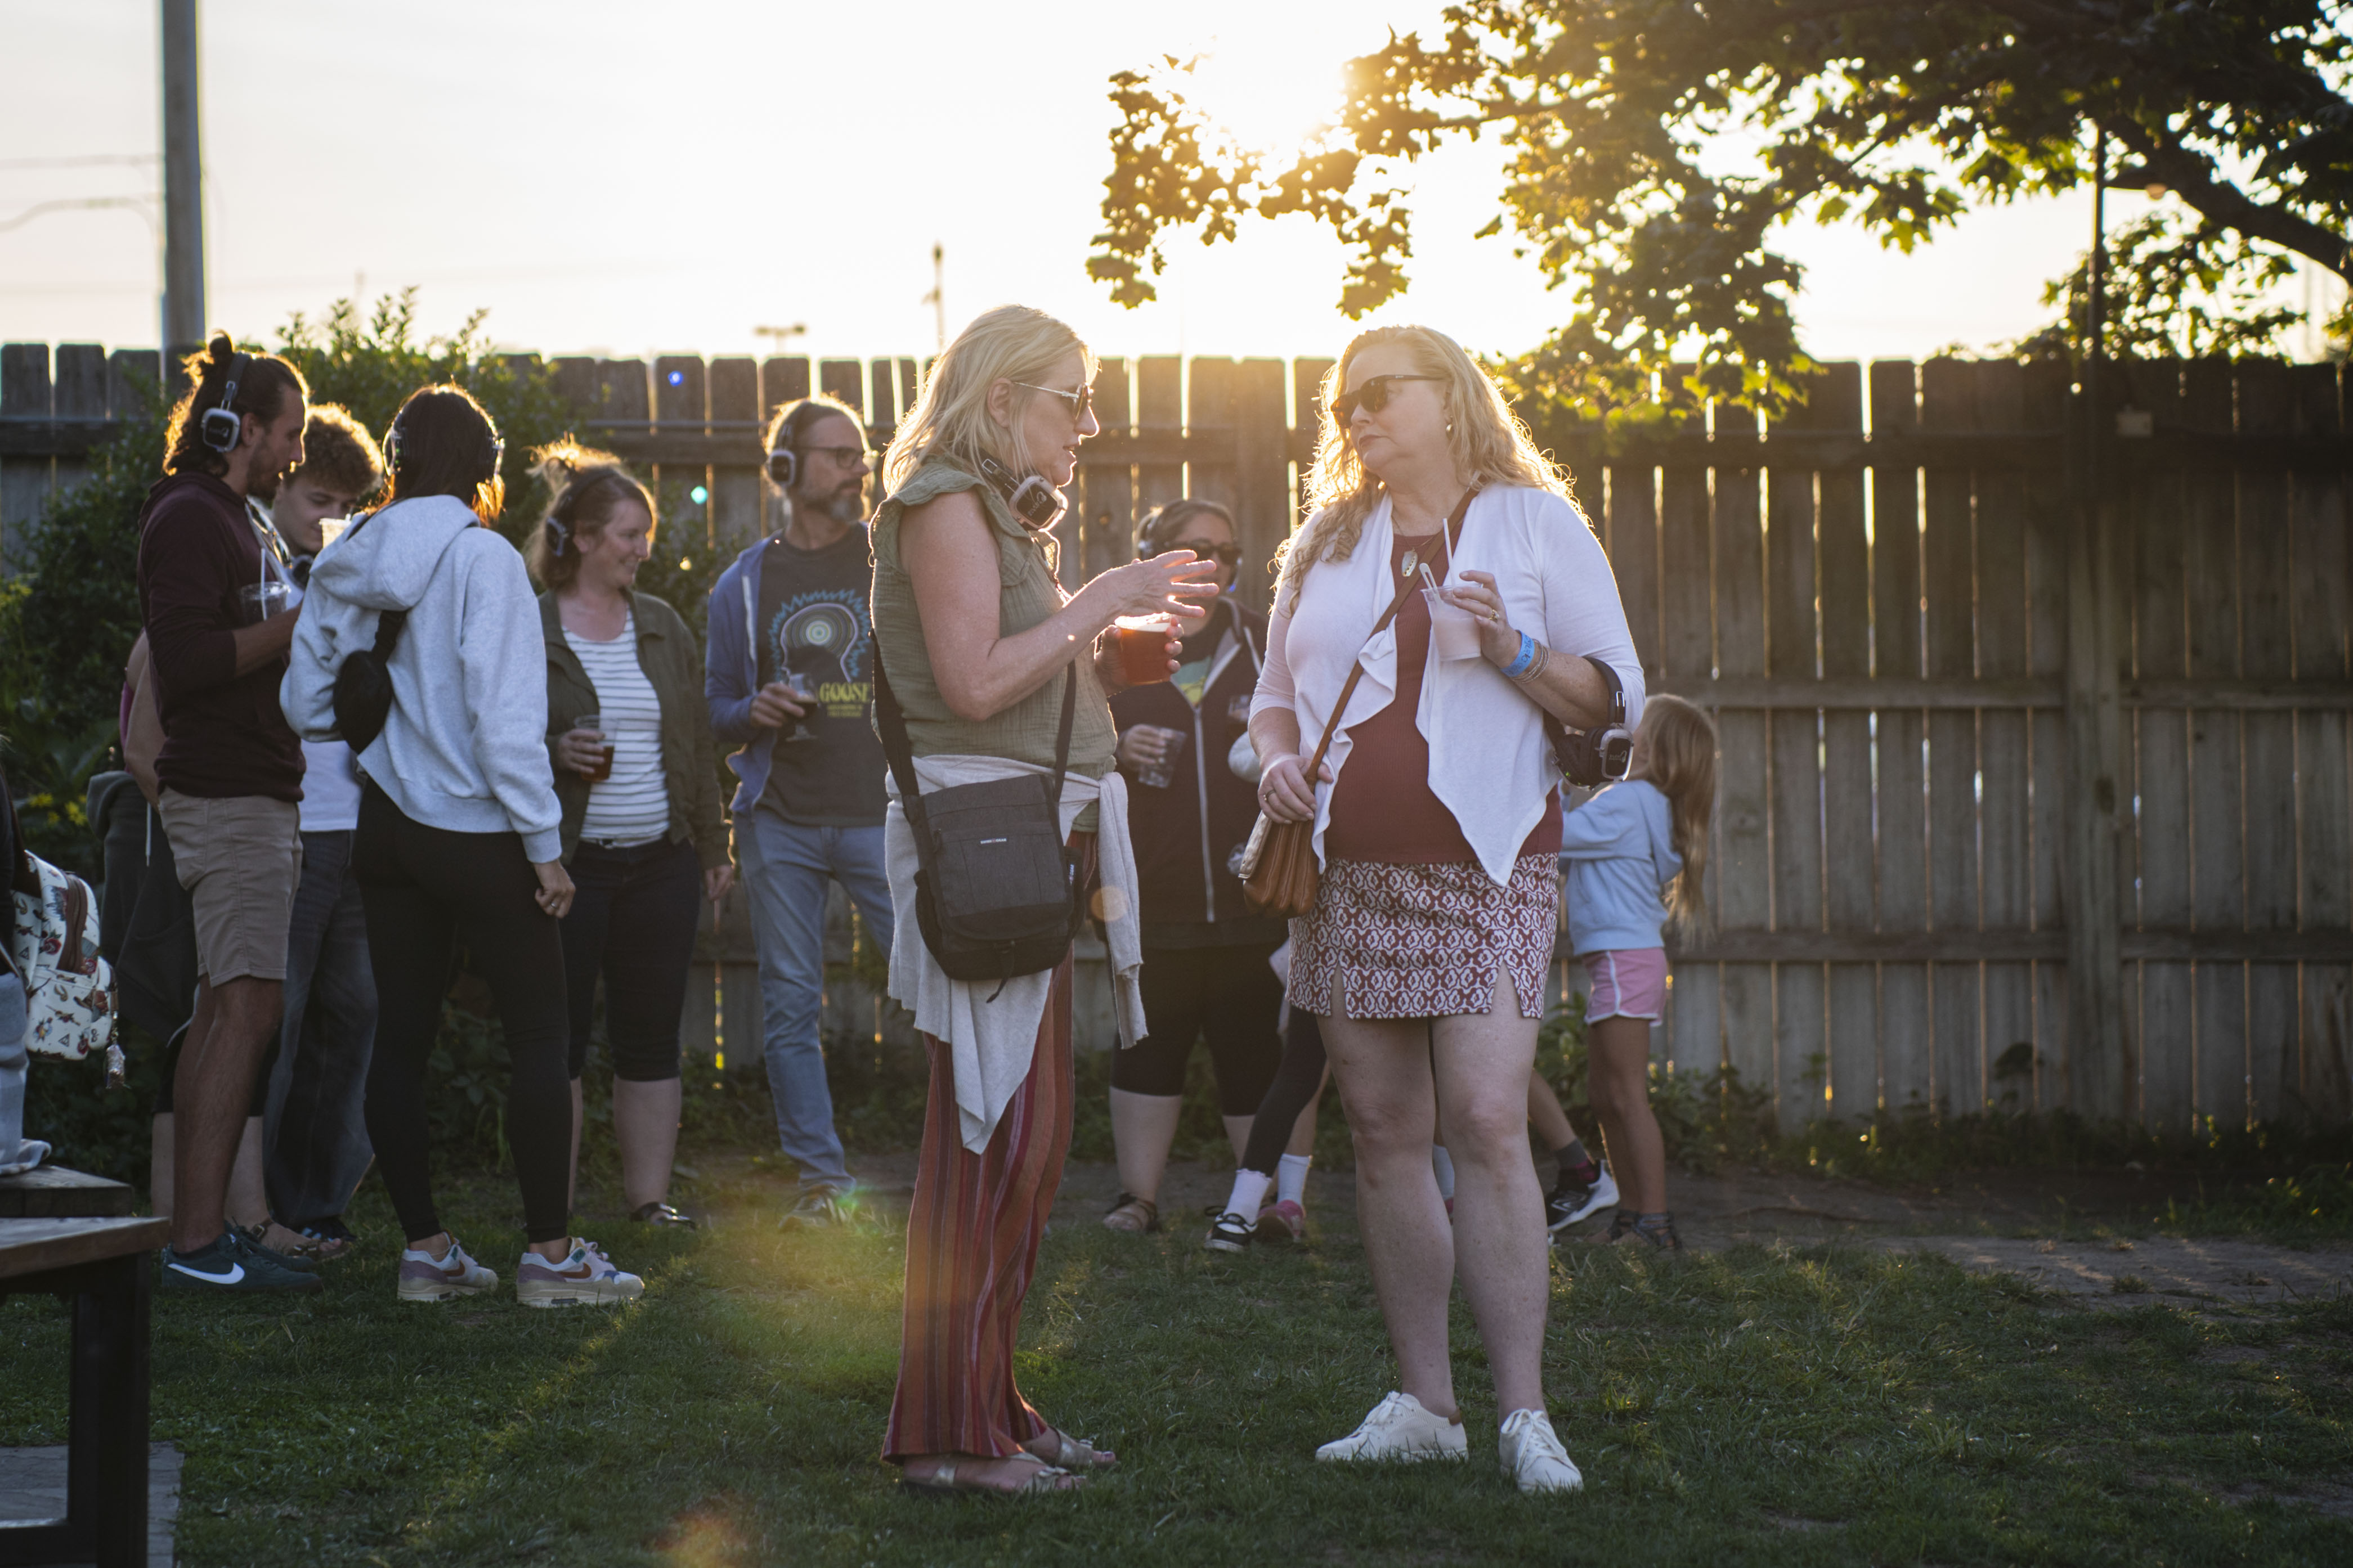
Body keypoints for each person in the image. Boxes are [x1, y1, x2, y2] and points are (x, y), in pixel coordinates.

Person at [1250, 324, 1643, 1494]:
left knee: (1481, 1116)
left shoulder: (1533, 522)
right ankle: (1427, 1401)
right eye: (1342, 405)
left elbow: (1611, 699)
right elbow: (1274, 700)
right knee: (1378, 1129)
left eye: (1380, 394)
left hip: (1488, 866)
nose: (1356, 417)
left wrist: (1510, 645)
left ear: (1450, 397)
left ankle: (1522, 1412)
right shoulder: (1325, 541)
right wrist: (1271, 762)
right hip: (1343, 875)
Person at [873, 304, 1215, 1495]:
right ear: (1001, 395)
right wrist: (1094, 598)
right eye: (1072, 398)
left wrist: (1109, 633)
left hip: (1033, 840)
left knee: (1028, 1143)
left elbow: (1021, 662)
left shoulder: (993, 509)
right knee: (986, 1136)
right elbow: (969, 686)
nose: (1088, 423)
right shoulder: (943, 504)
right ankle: (945, 1440)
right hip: (985, 842)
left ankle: (993, 1408)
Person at [284, 384, 642, 1309]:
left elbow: (304, 706)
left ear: (397, 461)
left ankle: (427, 1250)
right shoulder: (485, 561)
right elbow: (504, 722)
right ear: (486, 469)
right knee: (539, 1034)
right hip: (478, 832)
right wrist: (547, 848)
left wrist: (383, 733)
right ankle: (550, 1257)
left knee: (399, 1040)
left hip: (387, 830)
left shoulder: (351, 551)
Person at [136, 333, 322, 1294]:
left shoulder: (236, 517)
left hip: (259, 790)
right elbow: (190, 663)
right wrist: (303, 623)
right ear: (235, 427)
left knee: (228, 1006)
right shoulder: (187, 518)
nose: (295, 452)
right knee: (248, 1007)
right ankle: (198, 1246)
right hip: (227, 795)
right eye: (286, 433)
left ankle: (202, 1233)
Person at [531, 442, 732, 1228]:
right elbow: (492, 735)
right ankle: (559, 1205)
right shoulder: (532, 625)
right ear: (581, 539)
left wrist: (713, 848)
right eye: (627, 534)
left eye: (647, 534)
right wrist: (553, 752)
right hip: (569, 869)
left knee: (651, 1037)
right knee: (563, 1039)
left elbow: (693, 742)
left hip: (661, 864)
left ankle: (649, 1201)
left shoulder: (662, 625)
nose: (642, 549)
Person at [705, 394, 893, 1228]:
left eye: (862, 453)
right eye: (839, 453)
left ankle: (966, 1163)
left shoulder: (893, 562)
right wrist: (755, 710)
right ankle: (823, 1182)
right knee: (789, 1003)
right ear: (786, 470)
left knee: (934, 991)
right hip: (778, 818)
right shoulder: (745, 585)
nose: (859, 466)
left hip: (885, 816)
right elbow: (711, 708)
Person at [1103, 499, 1310, 1237]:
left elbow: (1309, 723)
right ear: (1155, 553)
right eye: (1196, 549)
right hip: (1147, 887)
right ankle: (1138, 1200)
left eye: (1226, 552)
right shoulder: (1122, 640)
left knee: (1252, 1048)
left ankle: (1260, 1206)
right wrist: (1116, 749)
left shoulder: (1260, 640)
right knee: (1147, 1046)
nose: (1216, 565)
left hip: (1251, 887)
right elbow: (1067, 732)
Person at [258, 405, 386, 1259]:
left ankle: (319, 1198)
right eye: (315, 497)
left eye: (347, 503)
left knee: (360, 1015)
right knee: (279, 1017)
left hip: (361, 830)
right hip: (286, 827)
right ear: (280, 485)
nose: (328, 516)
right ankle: (255, 1204)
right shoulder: (261, 571)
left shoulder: (363, 577)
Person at [1558, 694, 1716, 1251]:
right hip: (1624, 961)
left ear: (1647, 745)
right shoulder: (1643, 803)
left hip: (1625, 962)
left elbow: (1553, 835)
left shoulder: (1625, 803)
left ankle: (1654, 1224)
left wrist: (1542, 778)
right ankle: (1629, 1218)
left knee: (1625, 1095)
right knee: (1603, 1095)